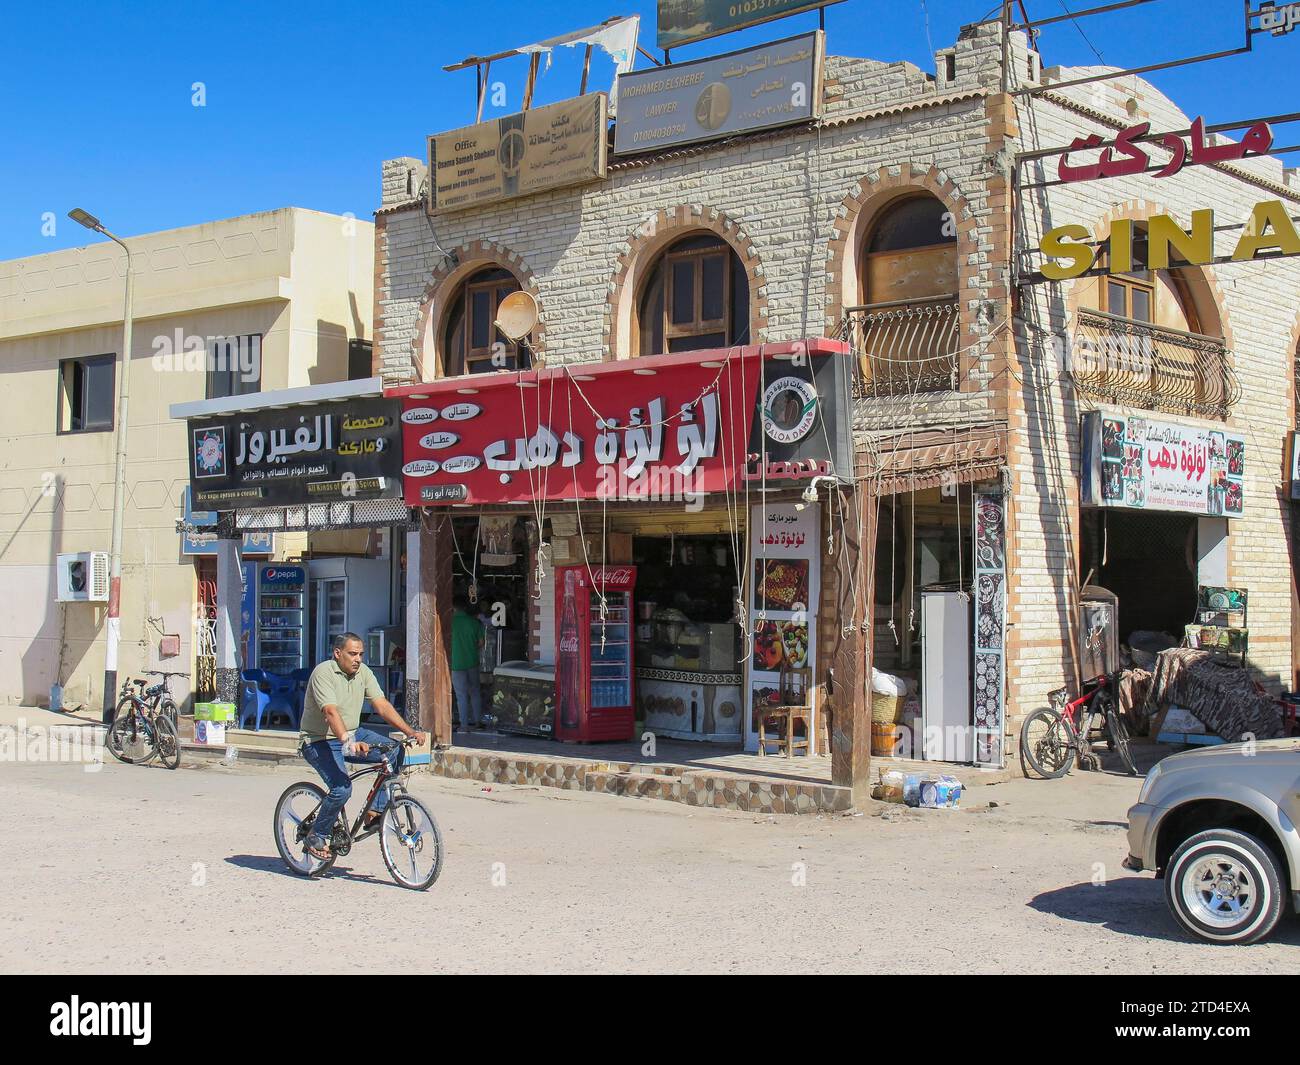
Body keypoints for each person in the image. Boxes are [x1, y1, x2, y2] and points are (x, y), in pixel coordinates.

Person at [299, 632, 426, 861]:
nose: (358, 659)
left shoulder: (363, 673)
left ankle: (374, 812)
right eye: (352, 654)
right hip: (319, 740)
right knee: (342, 789)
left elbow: (381, 705)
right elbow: (330, 712)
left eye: (361, 654)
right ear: (338, 654)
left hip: (354, 733)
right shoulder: (324, 673)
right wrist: (348, 742)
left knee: (395, 750)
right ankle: (316, 835)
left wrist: (410, 731)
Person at [451, 594, 485, 729]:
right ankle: (478, 721)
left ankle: (464, 725)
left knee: (461, 695)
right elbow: (481, 643)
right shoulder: (474, 622)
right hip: (472, 661)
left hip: (456, 663)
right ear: (465, 607)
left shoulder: (449, 622)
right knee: (475, 692)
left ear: (453, 607)